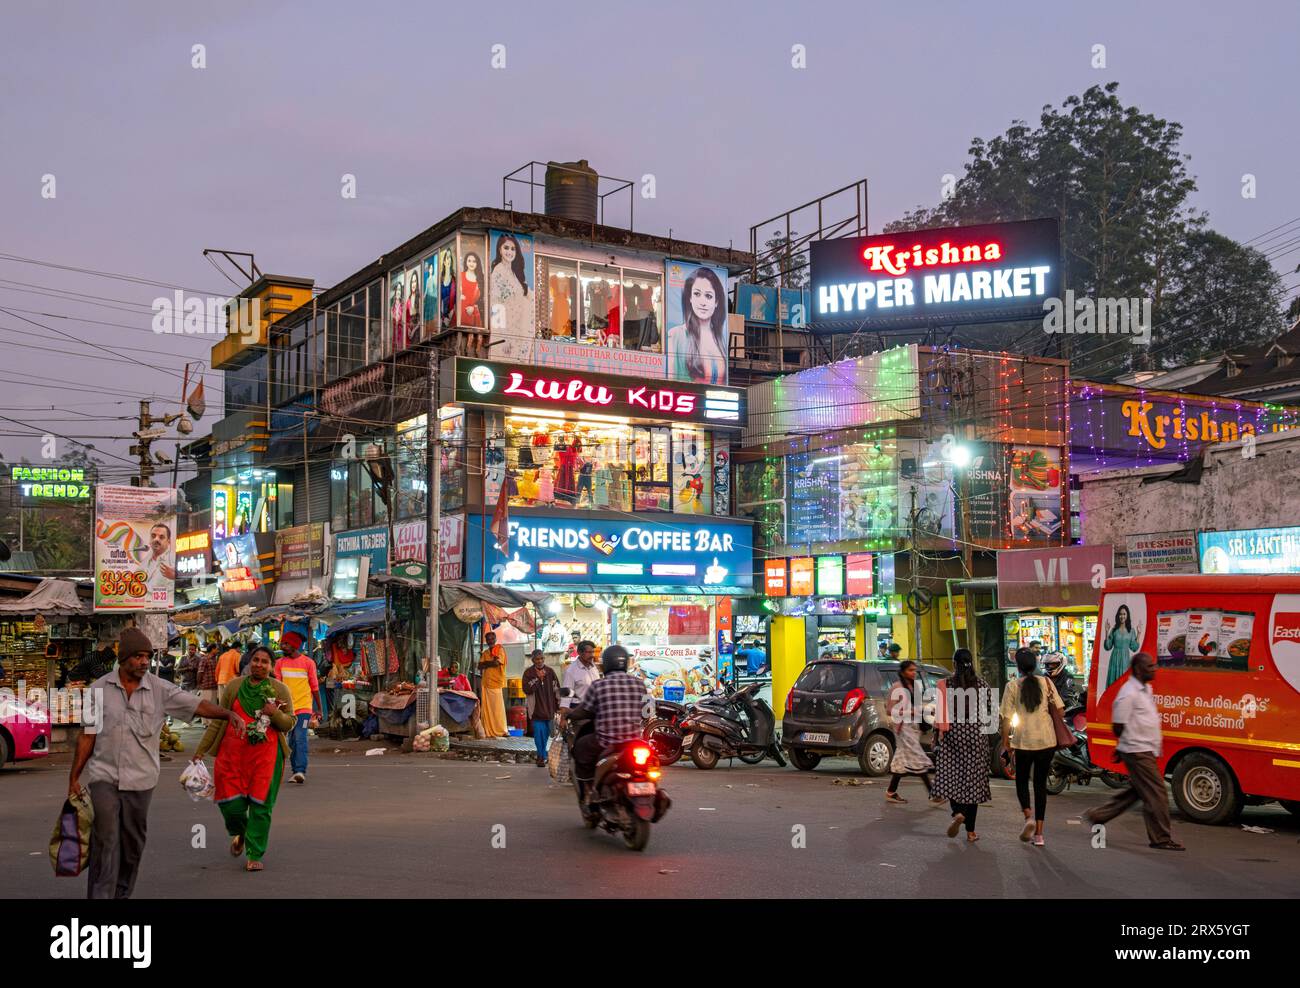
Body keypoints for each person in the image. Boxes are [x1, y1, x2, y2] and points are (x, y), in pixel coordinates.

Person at [67, 628, 242, 898]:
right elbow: (87, 736)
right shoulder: (98, 689)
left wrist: (227, 713)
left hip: (141, 779)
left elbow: (197, 706)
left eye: (147, 656)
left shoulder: (160, 689)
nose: (144, 662)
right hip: (104, 777)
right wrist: (74, 777)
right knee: (106, 838)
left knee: (132, 843)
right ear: (123, 658)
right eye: (138, 656)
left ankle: (121, 894)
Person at [192, 645, 296, 872]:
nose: (259, 665)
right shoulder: (233, 687)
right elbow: (219, 719)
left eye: (264, 662)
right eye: (256, 660)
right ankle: (240, 831)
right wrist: (201, 749)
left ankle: (255, 852)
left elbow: (289, 723)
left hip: (266, 757)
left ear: (271, 666)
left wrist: (274, 713)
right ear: (249, 662)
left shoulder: (279, 690)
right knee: (230, 804)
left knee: (261, 806)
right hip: (232, 756)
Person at [1084, 653, 1184, 851]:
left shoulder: (1145, 688)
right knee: (1157, 794)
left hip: (1144, 749)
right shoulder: (1128, 693)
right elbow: (1118, 725)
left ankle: (1099, 815)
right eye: (1150, 666)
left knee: (1138, 791)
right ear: (1139, 669)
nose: (1154, 669)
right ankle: (1161, 838)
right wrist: (1125, 745)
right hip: (1138, 750)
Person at [561, 645, 650, 805]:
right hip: (634, 741)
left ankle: (588, 789)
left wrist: (570, 714)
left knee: (580, 747)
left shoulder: (599, 685)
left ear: (607, 664)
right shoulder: (640, 684)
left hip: (606, 741)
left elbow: (585, 711)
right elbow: (648, 713)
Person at [999, 647, 1065, 846]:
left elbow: (1006, 719)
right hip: (1047, 740)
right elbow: (1061, 712)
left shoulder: (1012, 686)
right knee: (1040, 786)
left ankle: (1028, 817)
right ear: (1035, 664)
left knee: (1022, 783)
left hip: (1023, 741)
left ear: (1018, 667)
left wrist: (1006, 744)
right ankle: (1039, 835)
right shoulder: (1046, 682)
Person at [931, 649, 992, 842]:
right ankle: (971, 832)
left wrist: (935, 735)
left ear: (954, 664)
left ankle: (957, 812)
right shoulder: (982, 684)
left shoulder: (946, 684)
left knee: (951, 777)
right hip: (976, 736)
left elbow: (940, 714)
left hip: (952, 735)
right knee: (972, 782)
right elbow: (989, 711)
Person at [884, 660, 936, 803]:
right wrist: (910, 711)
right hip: (902, 728)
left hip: (913, 728)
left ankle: (891, 791)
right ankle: (932, 793)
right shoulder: (896, 687)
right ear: (902, 672)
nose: (913, 673)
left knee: (901, 760)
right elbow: (889, 710)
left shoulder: (914, 687)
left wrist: (926, 710)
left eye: (914, 670)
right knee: (918, 757)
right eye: (910, 670)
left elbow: (917, 707)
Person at [273, 632, 320, 784]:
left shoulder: (308, 663)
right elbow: (277, 686)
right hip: (286, 709)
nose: (282, 646)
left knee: (300, 738)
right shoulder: (279, 663)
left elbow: (314, 686)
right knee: (291, 741)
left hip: (304, 708)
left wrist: (319, 708)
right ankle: (295, 770)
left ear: (294, 645)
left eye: (285, 644)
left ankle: (300, 770)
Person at [667, 267, 727, 384]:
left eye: (708, 296)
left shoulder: (720, 339)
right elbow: (670, 382)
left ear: (716, 302)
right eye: (697, 294)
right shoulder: (675, 335)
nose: (702, 302)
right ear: (690, 297)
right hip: (684, 400)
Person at [521, 649, 560, 767]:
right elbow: (526, 690)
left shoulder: (550, 671)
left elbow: (557, 690)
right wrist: (538, 679)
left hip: (549, 710)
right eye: (537, 659)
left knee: (546, 734)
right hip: (536, 710)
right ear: (533, 660)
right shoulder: (528, 673)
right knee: (538, 734)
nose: (540, 661)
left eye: (542, 658)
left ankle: (542, 755)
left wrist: (559, 706)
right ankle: (541, 756)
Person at [478, 630, 509, 738]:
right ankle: (488, 731)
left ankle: (501, 730)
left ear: (495, 639)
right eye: (488, 639)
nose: (490, 641)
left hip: (496, 683)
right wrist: (488, 663)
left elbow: (496, 663)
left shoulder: (500, 649)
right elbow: (479, 666)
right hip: (486, 683)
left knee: (497, 709)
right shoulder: (486, 652)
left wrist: (486, 663)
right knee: (487, 710)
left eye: (492, 639)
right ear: (486, 641)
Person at [1103, 605, 1142, 689]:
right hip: (1114, 659)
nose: (1122, 616)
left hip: (1125, 660)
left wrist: (1139, 634)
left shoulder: (1131, 631)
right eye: (1120, 614)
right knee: (1113, 684)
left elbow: (1134, 648)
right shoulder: (1114, 630)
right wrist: (1106, 631)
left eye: (1124, 614)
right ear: (1118, 615)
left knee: (1123, 684)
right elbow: (1107, 646)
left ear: (1127, 615)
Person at [561, 639, 600, 709]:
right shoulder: (571, 670)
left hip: (594, 707)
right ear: (579, 652)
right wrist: (564, 716)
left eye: (592, 652)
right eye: (588, 652)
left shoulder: (594, 667)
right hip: (578, 707)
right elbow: (566, 695)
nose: (592, 655)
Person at [143, 523, 175, 593]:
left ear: (168, 542)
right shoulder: (145, 560)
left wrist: (175, 576)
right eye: (153, 536)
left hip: (164, 602)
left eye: (161, 537)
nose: (156, 539)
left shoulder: (173, 560)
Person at [459, 251, 484, 327]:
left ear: (477, 263)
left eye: (474, 261)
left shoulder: (480, 279)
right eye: (469, 261)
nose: (471, 263)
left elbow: (483, 298)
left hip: (473, 313)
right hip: (461, 311)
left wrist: (473, 308)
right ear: (466, 262)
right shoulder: (461, 275)